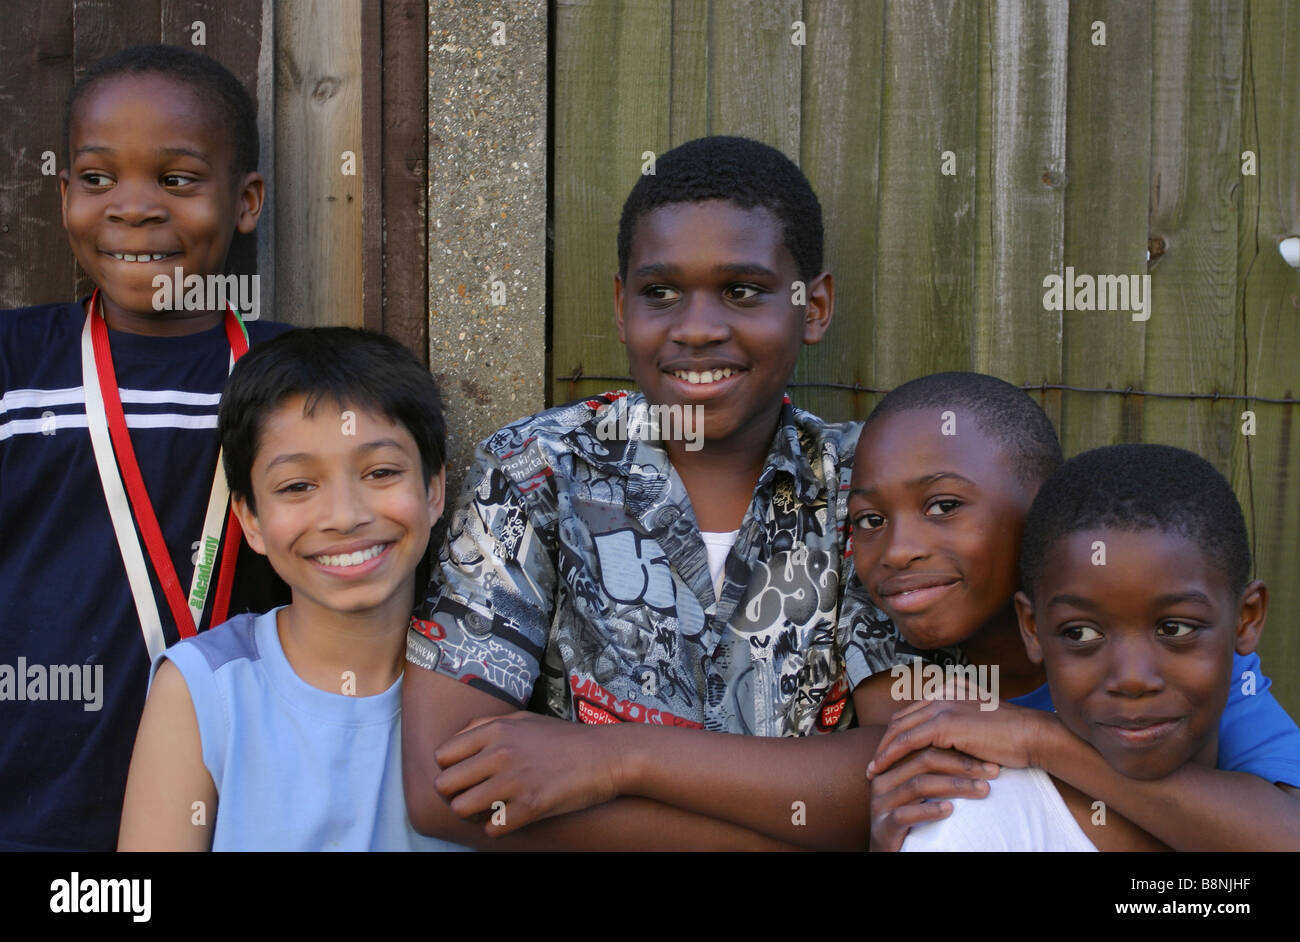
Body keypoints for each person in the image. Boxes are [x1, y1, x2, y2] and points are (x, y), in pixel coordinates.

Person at [402, 136, 889, 850]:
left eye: (742, 291)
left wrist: (614, 758)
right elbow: (444, 787)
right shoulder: (539, 469)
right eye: (660, 292)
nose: (697, 328)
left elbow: (901, 774)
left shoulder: (868, 487)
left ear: (813, 307)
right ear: (622, 306)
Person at [0, 44, 289, 852]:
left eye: (176, 179)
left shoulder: (301, 380)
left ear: (246, 201)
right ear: (63, 198)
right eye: (98, 179)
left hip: (250, 811)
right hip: (34, 812)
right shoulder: (14, 370)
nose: (132, 208)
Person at [846, 373, 1300, 850]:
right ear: (1032, 628)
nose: (899, 551)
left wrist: (1038, 741)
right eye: (871, 520)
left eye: (943, 506)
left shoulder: (1217, 675)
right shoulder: (941, 709)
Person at [118, 328, 464, 851]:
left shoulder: (490, 677)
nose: (345, 516)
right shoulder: (204, 691)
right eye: (298, 486)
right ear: (251, 519)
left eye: (381, 472)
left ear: (434, 488)